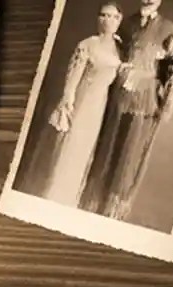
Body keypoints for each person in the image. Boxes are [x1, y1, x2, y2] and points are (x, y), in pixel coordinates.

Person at [79, 0, 173, 220]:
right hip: (116, 99)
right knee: (105, 149)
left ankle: (113, 212)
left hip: (144, 103)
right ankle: (90, 206)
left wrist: (167, 104)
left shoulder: (169, 30)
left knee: (129, 156)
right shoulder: (125, 24)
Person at [40, 3, 124, 207]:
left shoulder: (120, 47)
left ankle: (73, 199)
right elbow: (72, 78)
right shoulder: (87, 44)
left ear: (119, 19)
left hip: (101, 105)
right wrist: (68, 101)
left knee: (88, 149)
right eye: (103, 15)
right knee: (73, 146)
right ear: (98, 18)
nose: (107, 20)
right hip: (83, 101)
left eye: (112, 16)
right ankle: (57, 197)